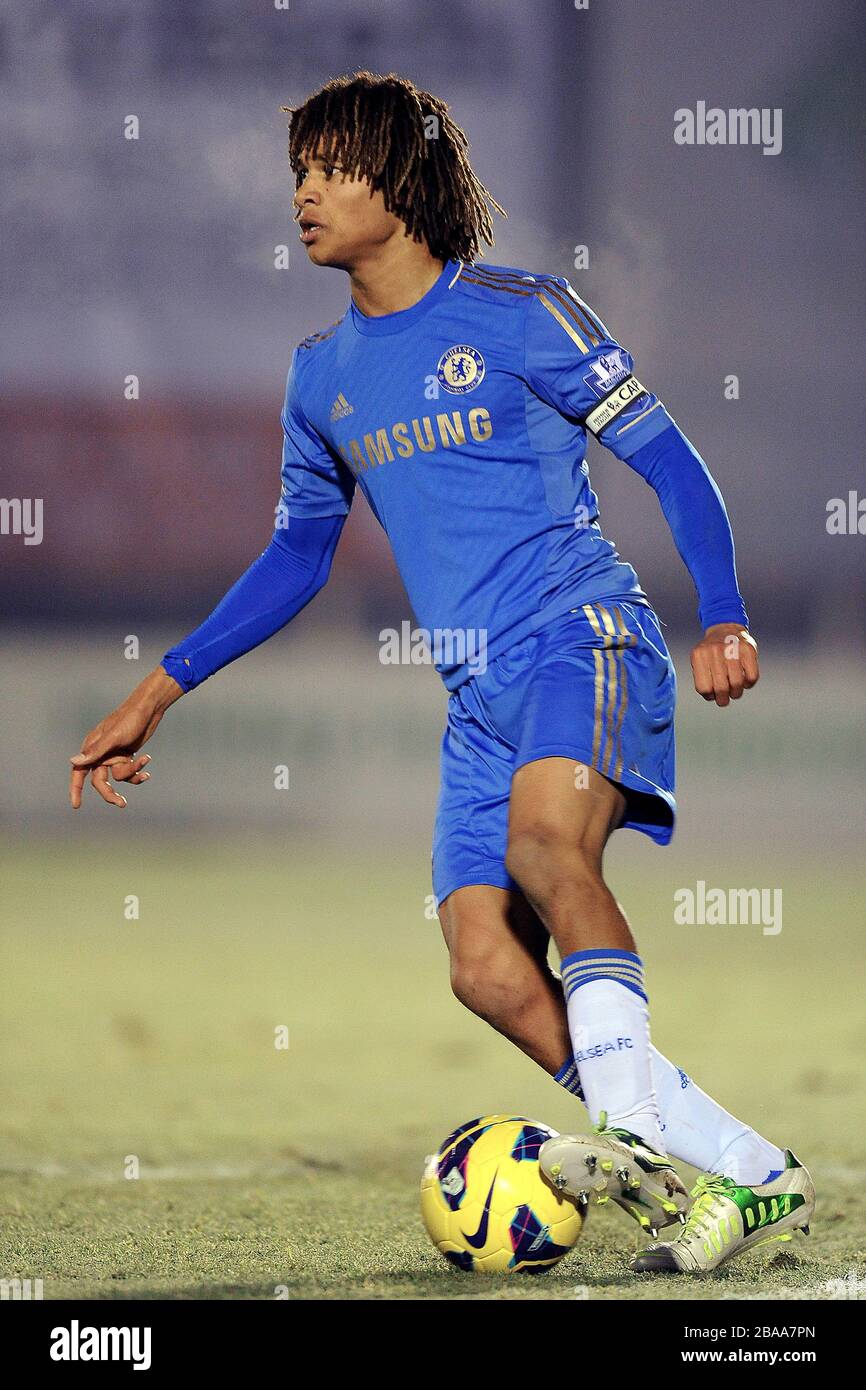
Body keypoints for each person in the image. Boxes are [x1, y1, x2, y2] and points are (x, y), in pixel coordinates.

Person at [69, 70, 814, 1275]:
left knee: (542, 852)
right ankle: (740, 1167)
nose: (304, 195)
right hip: (476, 699)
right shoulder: (322, 376)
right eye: (297, 173)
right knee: (480, 969)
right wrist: (156, 691)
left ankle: (629, 1133)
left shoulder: (522, 314)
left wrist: (720, 614)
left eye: (332, 171)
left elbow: (673, 462)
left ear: (398, 184)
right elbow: (296, 556)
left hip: (582, 634)